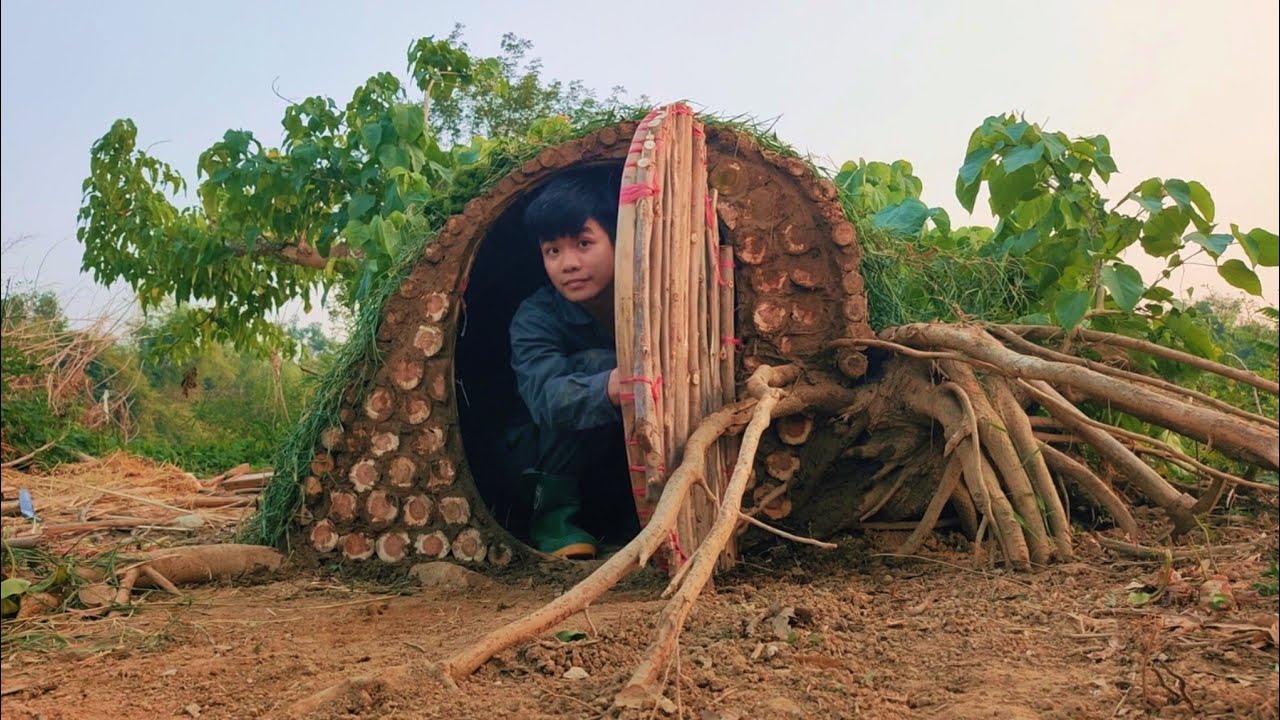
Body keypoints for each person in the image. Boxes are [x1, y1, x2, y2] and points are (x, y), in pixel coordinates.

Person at [509, 169, 639, 559]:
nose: (568, 264)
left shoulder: (655, 297)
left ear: (617, 240)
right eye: (553, 251)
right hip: (551, 460)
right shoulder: (535, 317)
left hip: (632, 468)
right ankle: (553, 518)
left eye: (583, 243)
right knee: (597, 364)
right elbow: (546, 398)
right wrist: (610, 386)